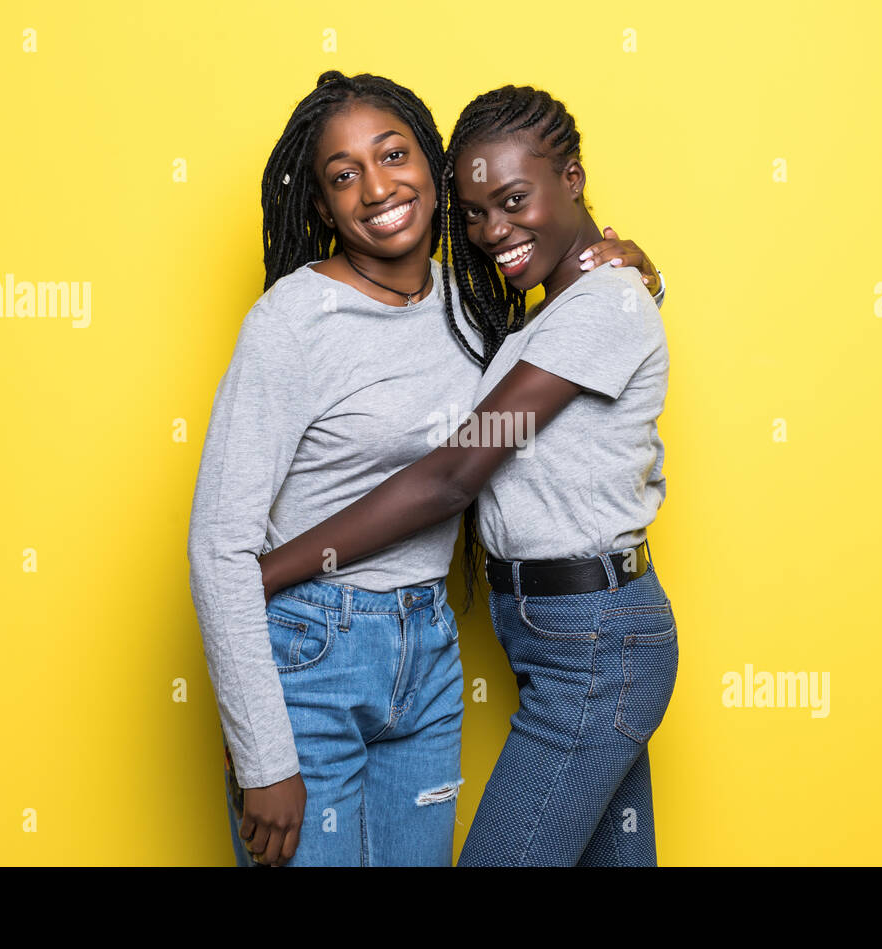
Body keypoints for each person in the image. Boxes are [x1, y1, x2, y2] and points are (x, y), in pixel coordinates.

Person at [187, 71, 663, 867]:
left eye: (393, 154)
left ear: (433, 176)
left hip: (432, 653)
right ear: (321, 205)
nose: (377, 188)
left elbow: (475, 456)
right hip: (311, 649)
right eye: (344, 175)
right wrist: (261, 748)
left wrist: (632, 279)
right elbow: (217, 547)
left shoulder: (474, 306)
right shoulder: (290, 324)